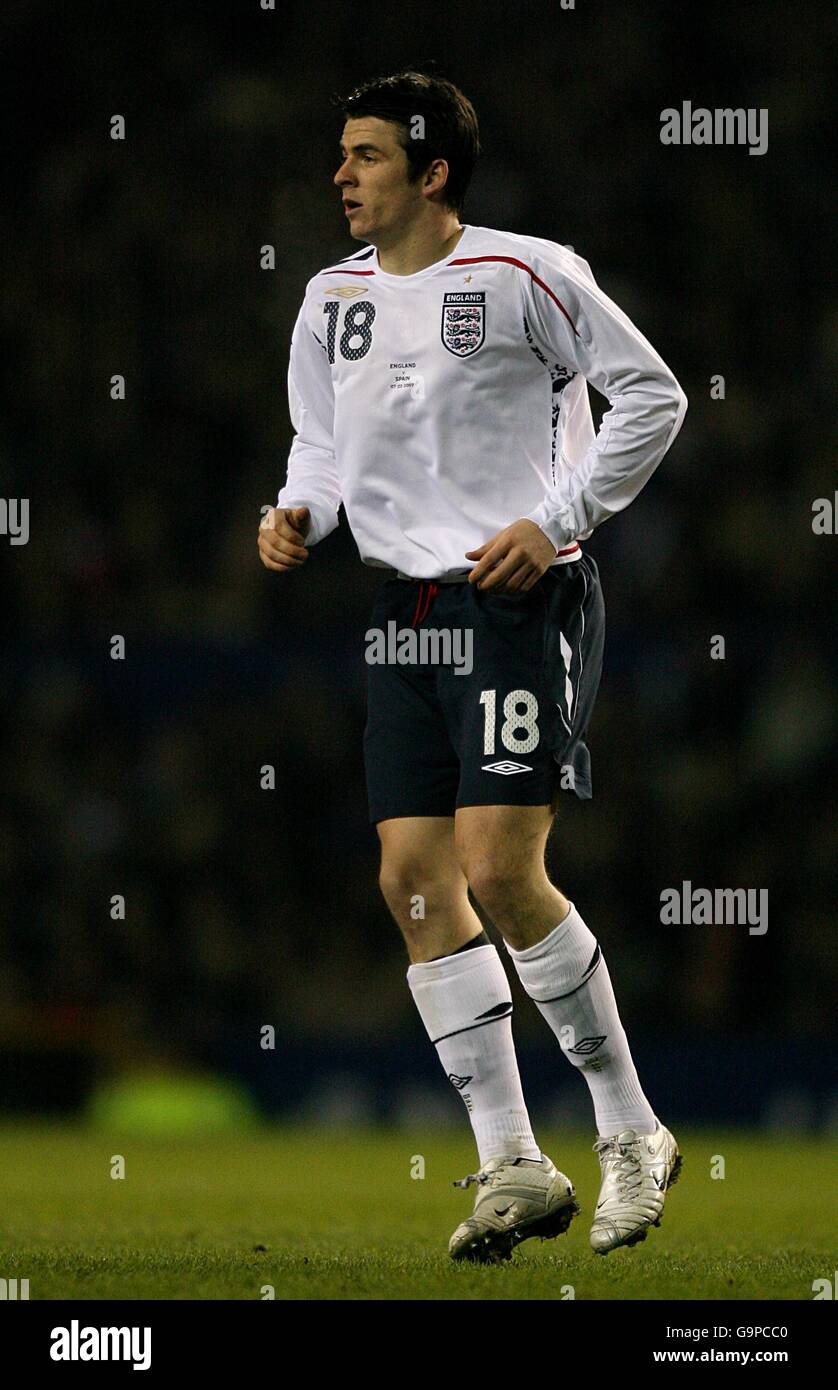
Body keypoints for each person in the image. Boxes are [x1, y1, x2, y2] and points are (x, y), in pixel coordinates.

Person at [257, 69, 687, 1264]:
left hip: (517, 596)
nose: (340, 176)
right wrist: (299, 509)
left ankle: (631, 1132)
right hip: (402, 610)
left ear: (431, 172)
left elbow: (652, 395)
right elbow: (320, 438)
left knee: (500, 868)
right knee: (411, 878)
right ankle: (512, 1161)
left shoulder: (528, 274)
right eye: (340, 155)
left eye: (364, 158)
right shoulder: (329, 298)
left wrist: (555, 518)